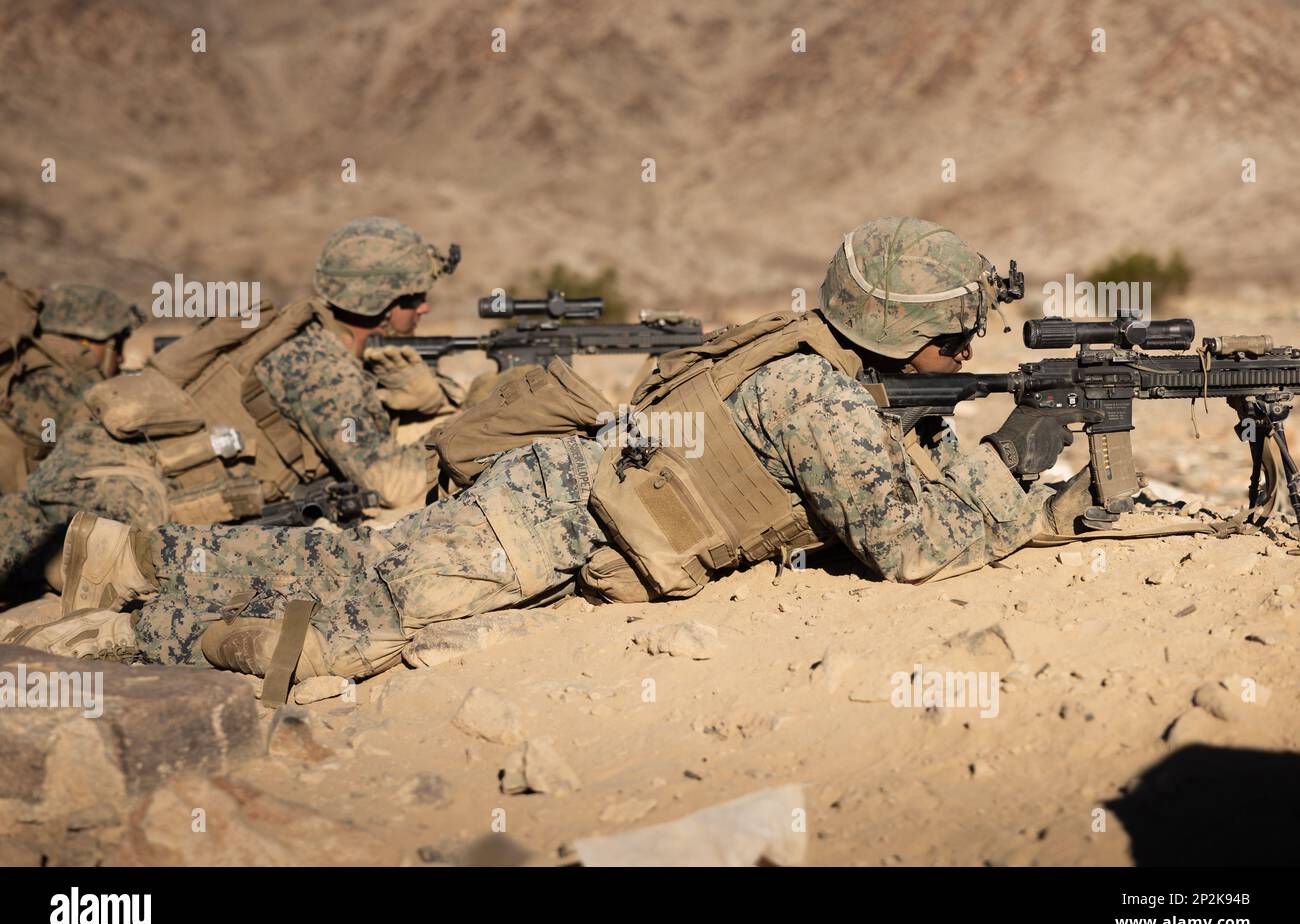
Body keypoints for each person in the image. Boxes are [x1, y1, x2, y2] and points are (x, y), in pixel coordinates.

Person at [13, 217, 1098, 705]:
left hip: (556, 502)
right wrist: (1021, 471)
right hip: (534, 526)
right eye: (953, 336)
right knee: (356, 621)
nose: (966, 353)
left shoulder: (825, 365)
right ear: (885, 320)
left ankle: (138, 563)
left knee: (359, 575)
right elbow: (910, 552)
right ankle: (134, 611)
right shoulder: (810, 390)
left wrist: (976, 452)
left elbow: (896, 496)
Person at [0, 217, 463, 594]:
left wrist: (419, 401)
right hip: (110, 502)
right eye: (415, 298)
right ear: (381, 301)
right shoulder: (324, 368)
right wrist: (455, 428)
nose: (423, 309)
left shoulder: (304, 339)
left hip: (89, 478)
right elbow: (392, 483)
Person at [0, 280, 143, 493]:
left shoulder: (23, 370)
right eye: (118, 345)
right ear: (85, 342)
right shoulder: (67, 387)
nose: (121, 359)